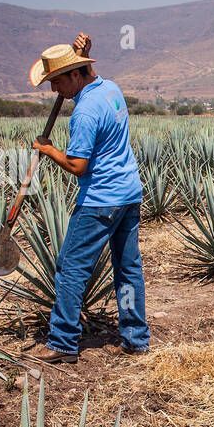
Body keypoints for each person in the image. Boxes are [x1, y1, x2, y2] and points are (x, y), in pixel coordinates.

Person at [25, 33, 150, 363]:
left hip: (100, 201)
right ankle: (135, 338)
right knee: (128, 268)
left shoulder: (83, 114)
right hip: (129, 194)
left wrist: (47, 148)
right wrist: (82, 56)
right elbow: (90, 81)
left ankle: (62, 340)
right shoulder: (110, 89)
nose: (55, 91)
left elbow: (78, 167)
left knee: (70, 269)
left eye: (57, 82)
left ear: (75, 75)